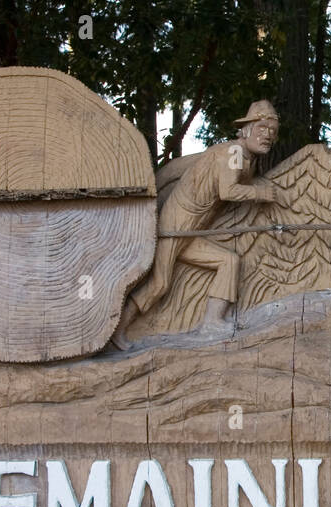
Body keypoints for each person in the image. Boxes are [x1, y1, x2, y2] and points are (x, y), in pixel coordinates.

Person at [111, 100, 285, 348]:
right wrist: (260, 193)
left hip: (192, 229)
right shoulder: (233, 152)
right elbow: (228, 191)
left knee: (228, 261)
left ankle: (212, 321)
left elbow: (185, 165)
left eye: (272, 131)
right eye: (262, 129)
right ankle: (116, 329)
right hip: (176, 226)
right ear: (247, 129)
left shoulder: (246, 158)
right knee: (159, 284)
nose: (268, 136)